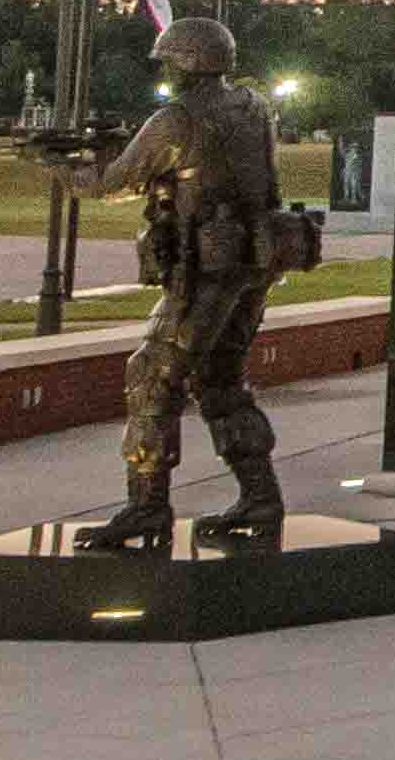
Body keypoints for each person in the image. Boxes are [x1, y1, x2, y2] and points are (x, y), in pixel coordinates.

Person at [74, 39, 287, 556]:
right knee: (220, 382)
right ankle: (260, 496)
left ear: (188, 61)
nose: (167, 67)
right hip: (251, 266)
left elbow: (112, 183)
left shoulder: (175, 119)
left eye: (171, 59)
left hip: (205, 272)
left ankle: (148, 504)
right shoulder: (253, 108)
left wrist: (63, 168)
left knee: (150, 375)